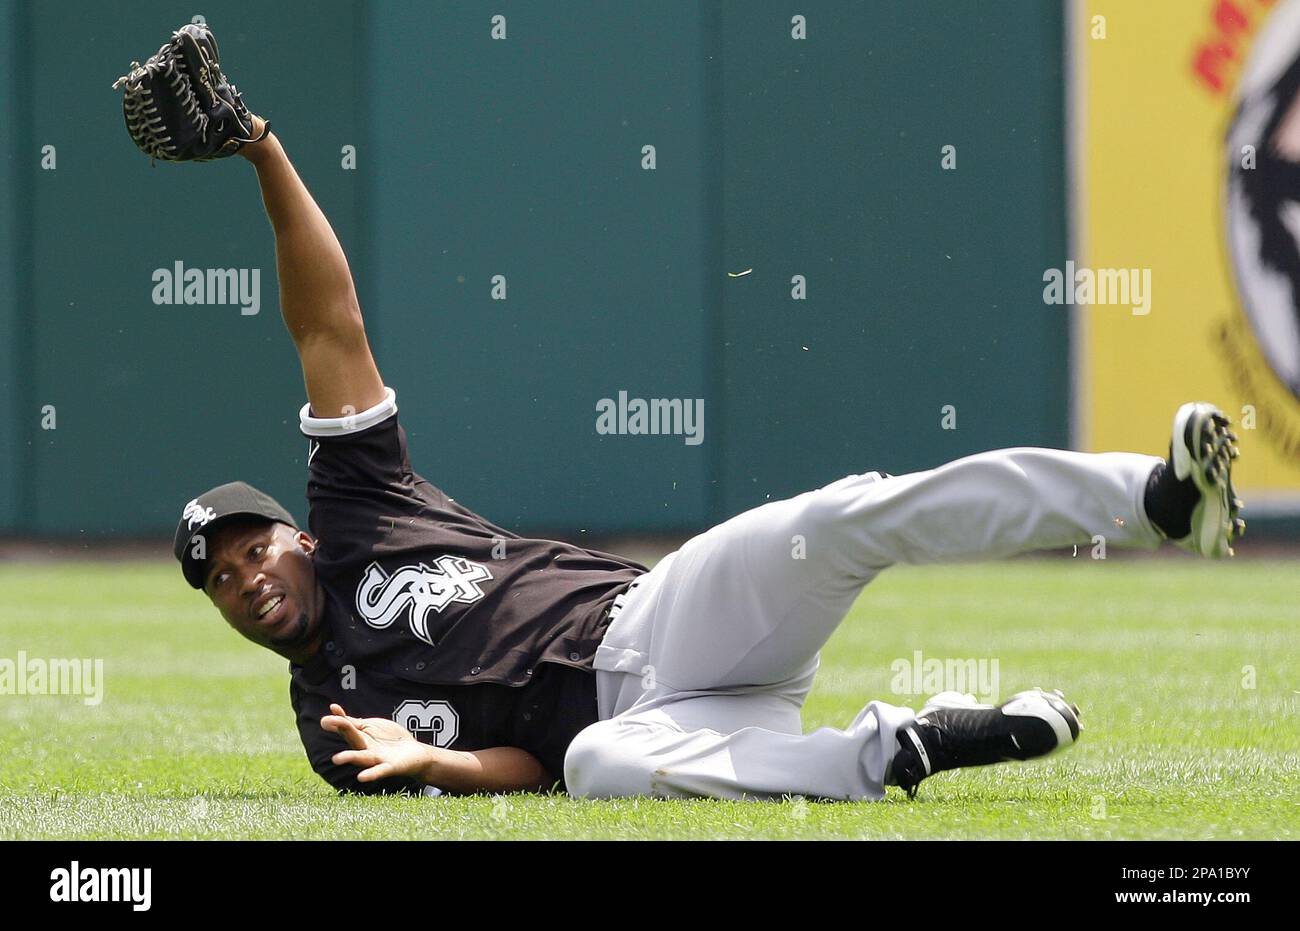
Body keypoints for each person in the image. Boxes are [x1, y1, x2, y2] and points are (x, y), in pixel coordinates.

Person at [136, 23, 1244, 802]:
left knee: (850, 513)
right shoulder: (325, 720)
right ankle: (905, 745)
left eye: (250, 550)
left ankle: (1155, 495)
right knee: (596, 772)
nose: (245, 581)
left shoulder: (361, 505)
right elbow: (519, 771)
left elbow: (328, 328)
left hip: (664, 621)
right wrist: (437, 766)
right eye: (223, 582)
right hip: (655, 732)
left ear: (300, 535)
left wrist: (262, 152)